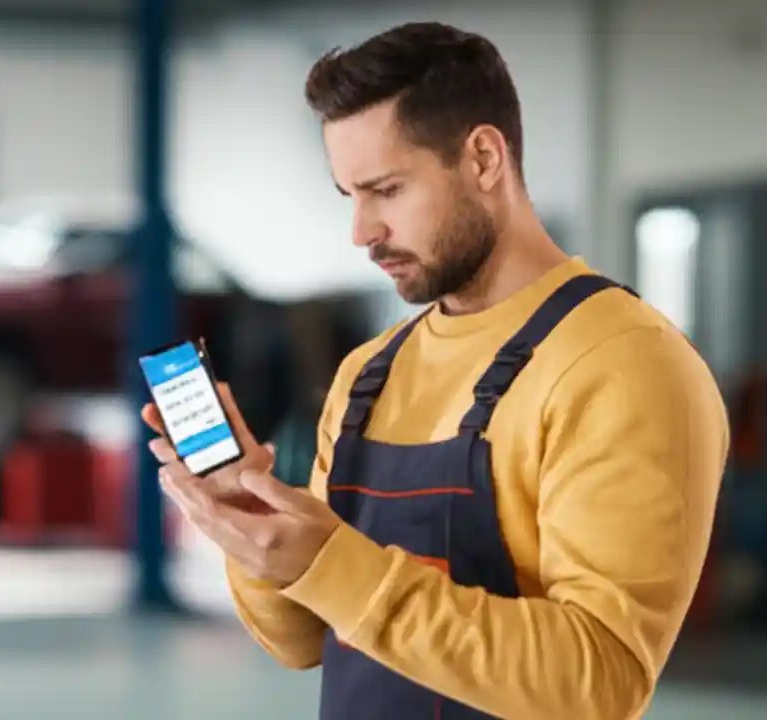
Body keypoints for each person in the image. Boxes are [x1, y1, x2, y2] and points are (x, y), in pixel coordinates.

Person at [142, 21, 729, 720]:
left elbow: (599, 682)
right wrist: (252, 528)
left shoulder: (620, 363)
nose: (361, 232)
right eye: (350, 196)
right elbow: (304, 641)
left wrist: (337, 567)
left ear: (483, 158)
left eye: (387, 190)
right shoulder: (369, 374)